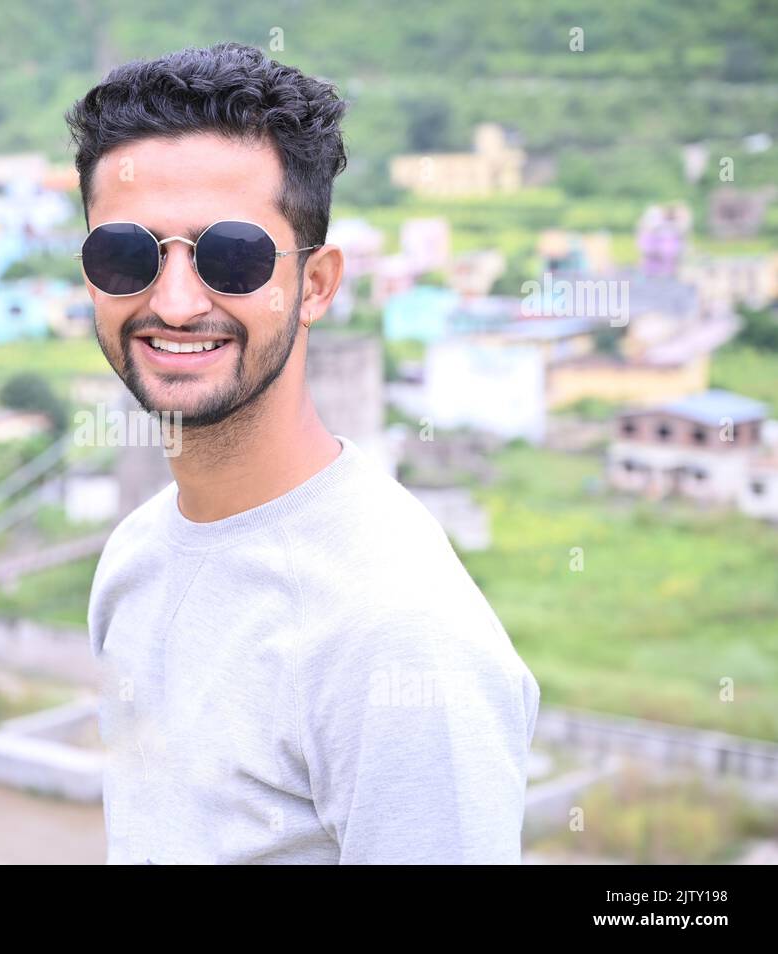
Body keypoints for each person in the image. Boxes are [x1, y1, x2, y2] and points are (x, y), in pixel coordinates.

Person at [67, 41, 540, 863]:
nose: (175, 303)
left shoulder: (400, 635)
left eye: (233, 258)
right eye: (126, 255)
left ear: (316, 285)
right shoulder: (133, 558)